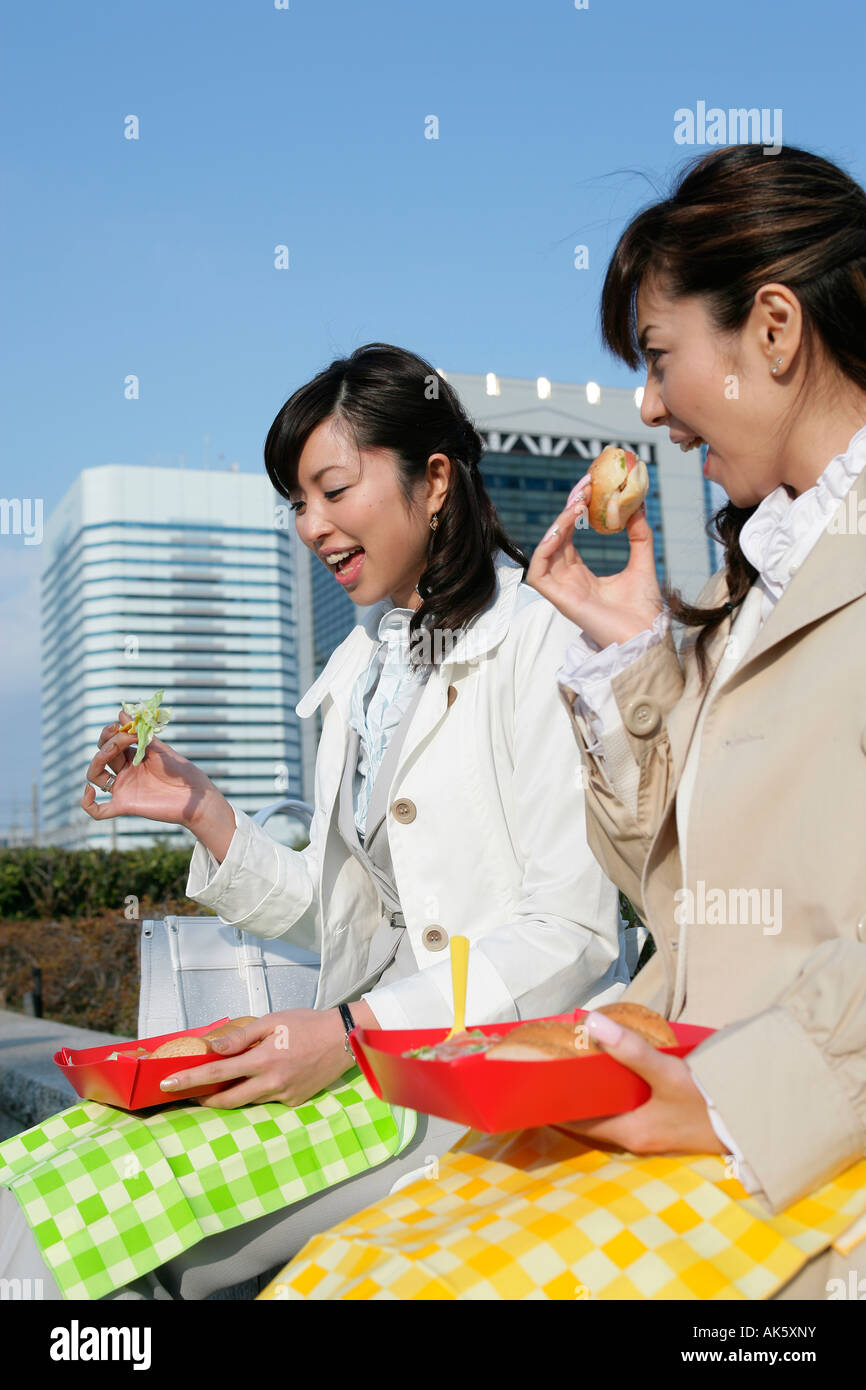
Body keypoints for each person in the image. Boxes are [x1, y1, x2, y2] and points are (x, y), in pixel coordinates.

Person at [0, 343, 628, 1300]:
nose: (311, 526)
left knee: (70, 1236)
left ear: (434, 481)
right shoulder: (365, 671)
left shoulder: (541, 639)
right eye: (297, 503)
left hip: (484, 1081)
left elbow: (572, 934)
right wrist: (205, 813)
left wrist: (355, 1029)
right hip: (370, 1066)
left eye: (333, 489)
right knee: (37, 1180)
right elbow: (351, 922)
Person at [525, 142, 866, 1295]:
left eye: (661, 357)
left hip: (804, 1161)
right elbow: (664, 887)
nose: (649, 406)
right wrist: (627, 657)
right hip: (687, 1121)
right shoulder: (750, 577)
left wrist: (735, 1093)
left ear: (772, 329)